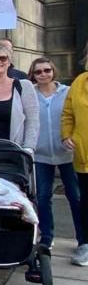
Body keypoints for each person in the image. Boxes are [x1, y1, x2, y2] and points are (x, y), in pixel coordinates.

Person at [30, 57, 82, 250]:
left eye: (47, 70)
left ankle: (83, 239)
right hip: (41, 155)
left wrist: (74, 137)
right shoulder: (30, 94)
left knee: (76, 197)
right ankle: (47, 236)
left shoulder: (68, 92)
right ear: (33, 75)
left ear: (53, 71)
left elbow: (77, 118)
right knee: (42, 197)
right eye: (38, 72)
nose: (43, 74)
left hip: (67, 153)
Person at [61, 55, 88, 266]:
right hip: (83, 154)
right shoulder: (79, 82)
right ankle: (85, 244)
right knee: (85, 202)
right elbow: (68, 113)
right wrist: (67, 135)